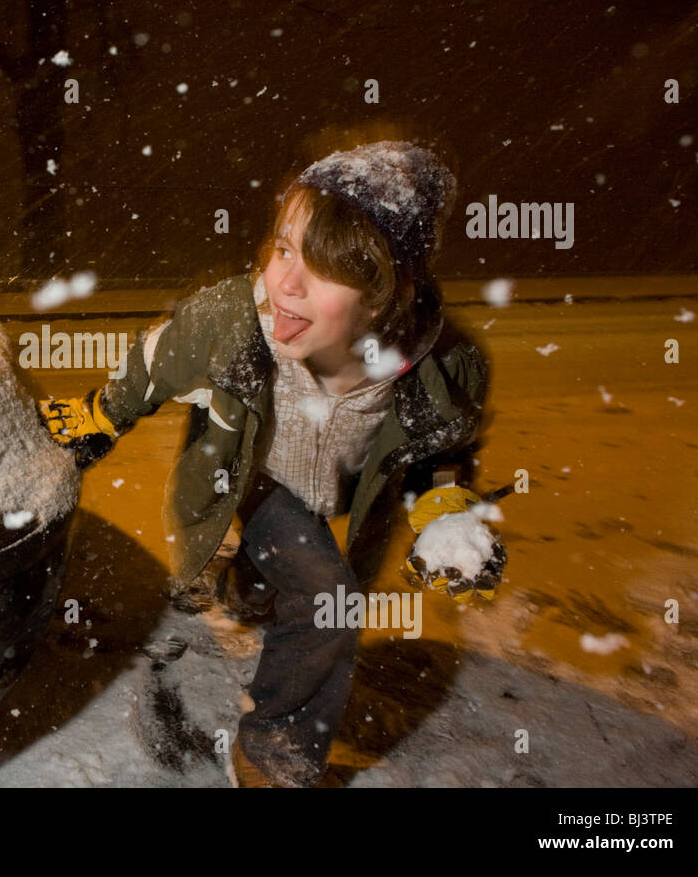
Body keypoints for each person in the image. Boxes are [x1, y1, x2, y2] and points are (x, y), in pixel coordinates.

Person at [39, 140, 508, 787]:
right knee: (328, 600)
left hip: (330, 496)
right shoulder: (233, 320)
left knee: (279, 589)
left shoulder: (444, 367)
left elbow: (440, 452)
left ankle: (250, 595)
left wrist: (445, 510)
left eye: (320, 267)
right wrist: (100, 414)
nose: (283, 282)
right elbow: (157, 359)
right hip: (249, 474)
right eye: (284, 248)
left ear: (389, 289)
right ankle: (276, 746)